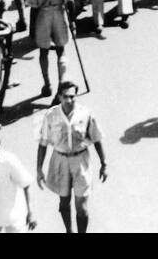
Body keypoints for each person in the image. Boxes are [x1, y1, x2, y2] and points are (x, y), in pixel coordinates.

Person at [36, 82, 107, 234]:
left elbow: (96, 138)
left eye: (72, 97)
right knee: (63, 203)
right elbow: (43, 143)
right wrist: (39, 169)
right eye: (65, 97)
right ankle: (69, 230)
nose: (69, 100)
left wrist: (104, 163)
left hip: (81, 160)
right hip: (60, 160)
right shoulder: (50, 115)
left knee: (82, 207)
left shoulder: (85, 113)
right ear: (59, 97)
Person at [24, 0, 75, 98]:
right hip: (59, 12)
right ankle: (63, 82)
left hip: (43, 15)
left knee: (43, 51)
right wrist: (72, 21)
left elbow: (33, 7)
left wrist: (32, 29)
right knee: (61, 49)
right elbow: (70, 0)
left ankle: (47, 84)